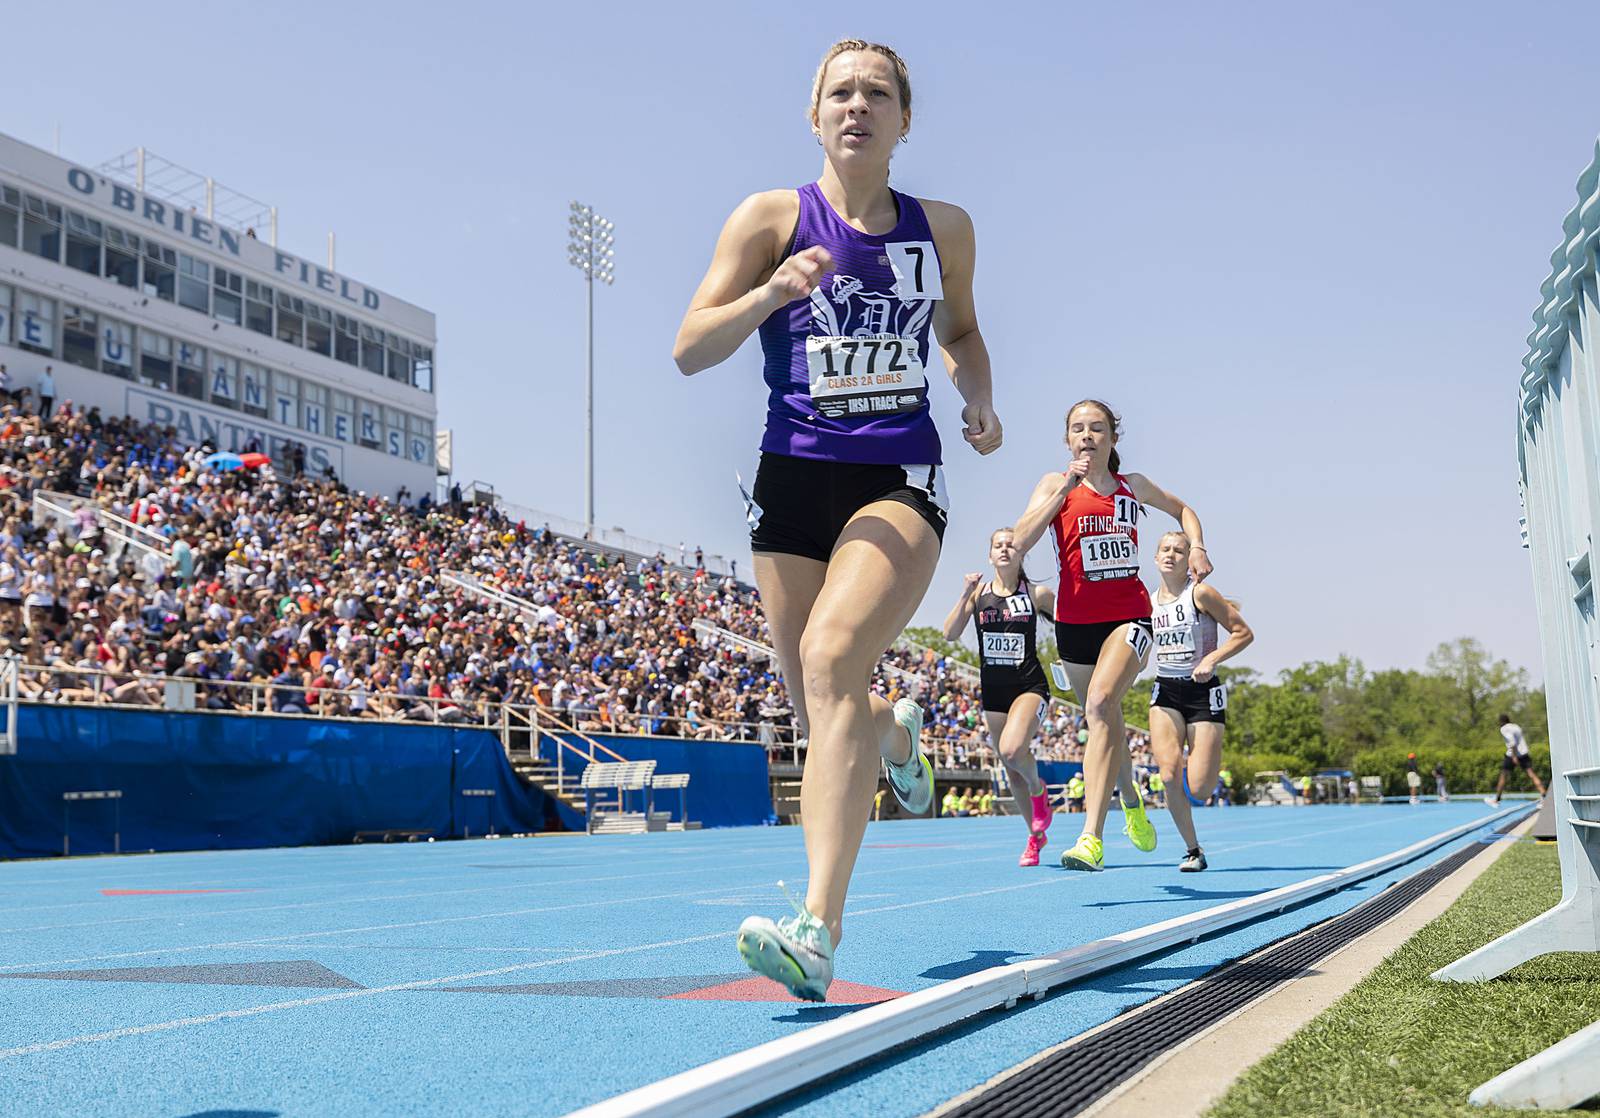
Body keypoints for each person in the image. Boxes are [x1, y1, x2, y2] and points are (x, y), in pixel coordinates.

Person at [675, 39, 1002, 1001]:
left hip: (898, 477)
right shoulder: (770, 218)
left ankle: (817, 930)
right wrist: (772, 292)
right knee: (826, 702)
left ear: (906, 120)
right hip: (790, 480)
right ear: (814, 116)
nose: (858, 106)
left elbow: (961, 330)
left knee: (829, 659)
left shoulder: (944, 229)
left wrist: (978, 396)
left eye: (878, 93)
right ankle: (896, 737)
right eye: (841, 93)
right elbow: (691, 346)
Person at [1009, 400, 1210, 872]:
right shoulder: (1053, 484)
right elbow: (1019, 541)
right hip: (1075, 624)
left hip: (1130, 616)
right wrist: (1063, 491)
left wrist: (1198, 546)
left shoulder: (1131, 486)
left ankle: (1090, 839)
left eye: (1097, 428)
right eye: (1078, 429)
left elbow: (1183, 510)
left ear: (1112, 438)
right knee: (1104, 720)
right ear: (1067, 440)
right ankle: (1131, 800)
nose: (1087, 436)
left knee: (1100, 704)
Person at [941, 528, 1056, 865]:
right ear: (990, 555)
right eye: (998, 545)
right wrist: (965, 594)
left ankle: (1038, 789)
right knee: (1011, 770)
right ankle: (1035, 837)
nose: (1004, 549)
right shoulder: (979, 595)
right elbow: (949, 633)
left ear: (1021, 554)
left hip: (1029, 686)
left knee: (1011, 750)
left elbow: (1069, 623)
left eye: (1011, 545)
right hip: (993, 691)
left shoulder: (1036, 594)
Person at [1146, 531, 1252, 871]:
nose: (1170, 555)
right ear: (1155, 558)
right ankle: (1193, 849)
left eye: (1179, 550)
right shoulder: (1146, 601)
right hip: (1165, 690)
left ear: (1189, 560)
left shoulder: (1201, 594)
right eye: (1165, 549)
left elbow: (1244, 633)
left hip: (1203, 692)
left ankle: (1208, 753)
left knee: (1201, 789)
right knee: (1167, 775)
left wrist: (1211, 659)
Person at [1488, 713, 1547, 804]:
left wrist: (1514, 757)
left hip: (1513, 754)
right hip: (1524, 753)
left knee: (1503, 775)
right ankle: (1544, 794)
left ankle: (1497, 799)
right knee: (1531, 774)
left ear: (1501, 722)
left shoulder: (1504, 729)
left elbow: (1512, 743)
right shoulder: (1516, 726)